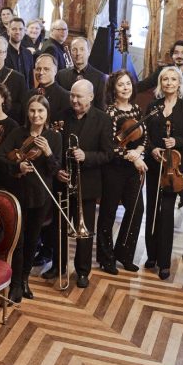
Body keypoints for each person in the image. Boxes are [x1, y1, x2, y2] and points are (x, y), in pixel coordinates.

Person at [0, 94, 60, 301]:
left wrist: (48, 152)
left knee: (32, 240)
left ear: (47, 113)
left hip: (40, 197)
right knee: (19, 241)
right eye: (32, 110)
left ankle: (24, 281)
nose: (36, 115)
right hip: (19, 194)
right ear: (27, 112)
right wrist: (17, 166)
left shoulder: (54, 137)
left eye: (40, 111)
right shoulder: (17, 133)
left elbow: (55, 169)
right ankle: (14, 284)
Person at [52, 79, 114, 288]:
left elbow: (107, 154)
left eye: (79, 96)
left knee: (84, 231)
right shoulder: (61, 116)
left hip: (87, 184)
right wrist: (58, 170)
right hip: (64, 182)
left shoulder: (103, 120)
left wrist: (85, 156)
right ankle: (58, 266)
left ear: (91, 97)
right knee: (59, 228)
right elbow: (55, 149)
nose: (74, 100)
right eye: (72, 95)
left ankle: (82, 271)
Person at [142, 66, 183, 279]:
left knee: (166, 214)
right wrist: (152, 149)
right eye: (165, 79)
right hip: (154, 164)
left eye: (173, 79)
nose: (168, 83)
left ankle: (164, 262)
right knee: (152, 212)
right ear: (160, 83)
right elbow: (145, 136)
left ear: (179, 84)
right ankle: (151, 256)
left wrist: (177, 141)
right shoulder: (153, 106)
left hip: (173, 169)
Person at [100, 70, 148, 274]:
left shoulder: (136, 109)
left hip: (132, 169)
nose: (125, 88)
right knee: (108, 213)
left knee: (137, 210)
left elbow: (144, 137)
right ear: (113, 89)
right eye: (121, 84)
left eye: (128, 84)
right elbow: (111, 145)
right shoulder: (110, 112)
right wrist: (132, 156)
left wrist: (138, 151)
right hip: (114, 169)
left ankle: (124, 253)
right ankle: (106, 258)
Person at [136, 40, 183, 104]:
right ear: (172, 55)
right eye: (176, 52)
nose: (179, 56)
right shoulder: (162, 70)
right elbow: (143, 85)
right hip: (161, 110)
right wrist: (127, 88)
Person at [56, 37, 108, 110]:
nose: (78, 53)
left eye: (82, 49)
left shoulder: (100, 77)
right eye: (74, 50)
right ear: (70, 52)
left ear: (89, 51)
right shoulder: (61, 75)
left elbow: (100, 108)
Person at [24, 54, 71, 126]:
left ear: (55, 71)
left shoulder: (65, 97)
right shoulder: (28, 95)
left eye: (46, 69)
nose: (41, 72)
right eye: (38, 69)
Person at [4, 18, 35, 90]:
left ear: (24, 32)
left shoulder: (28, 54)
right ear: (8, 31)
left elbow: (30, 81)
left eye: (20, 29)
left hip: (25, 96)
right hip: (8, 96)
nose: (17, 32)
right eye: (14, 29)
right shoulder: (2, 52)